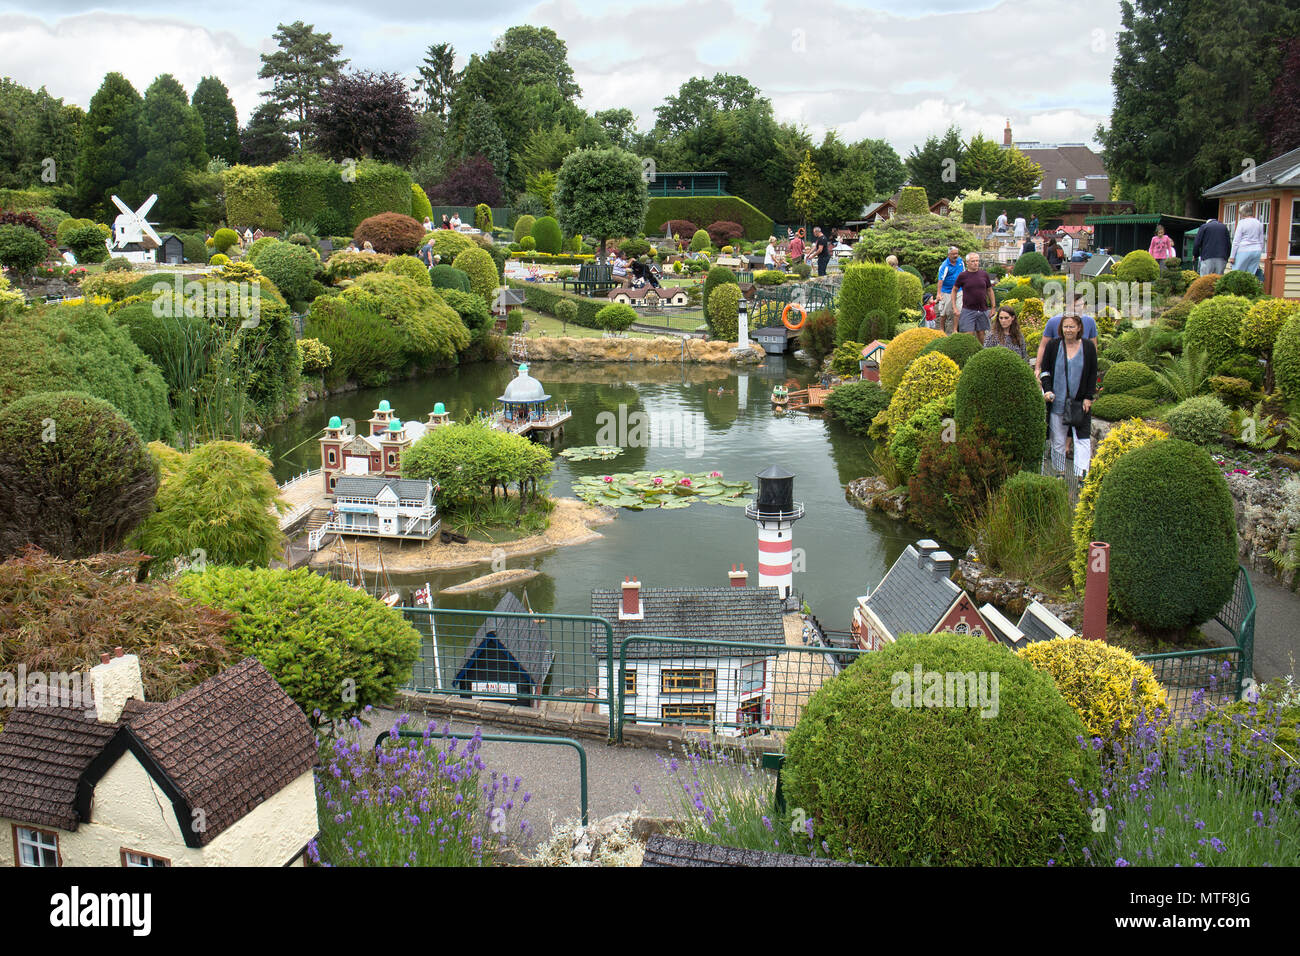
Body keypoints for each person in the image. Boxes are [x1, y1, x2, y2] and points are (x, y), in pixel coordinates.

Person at [1040, 314, 1097, 479]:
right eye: (1065, 327)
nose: (1068, 330)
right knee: (1057, 439)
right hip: (1057, 401)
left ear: (1079, 328)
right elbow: (1045, 371)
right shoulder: (1053, 345)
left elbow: (1092, 373)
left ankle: (1081, 476)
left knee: (1082, 440)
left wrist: (1088, 397)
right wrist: (1048, 390)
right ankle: (1060, 473)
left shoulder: (1087, 347)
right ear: (1061, 328)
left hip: (1080, 403)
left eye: (1072, 326)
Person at [953, 251, 995, 344]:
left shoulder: (984, 274)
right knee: (968, 337)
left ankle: (983, 354)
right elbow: (954, 290)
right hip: (968, 310)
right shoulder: (962, 276)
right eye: (973, 261)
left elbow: (990, 290)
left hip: (983, 310)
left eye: (977, 261)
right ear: (967, 262)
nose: (975, 263)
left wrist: (993, 307)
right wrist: (955, 307)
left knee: (982, 335)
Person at [1228, 202, 1266, 279]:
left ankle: (1237, 290)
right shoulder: (1258, 223)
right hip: (1256, 250)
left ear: (1243, 214)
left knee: (1237, 274)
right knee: (1250, 274)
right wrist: (1260, 250)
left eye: (1240, 214)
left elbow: (1236, 240)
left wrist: (1232, 256)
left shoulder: (1242, 223)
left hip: (1244, 249)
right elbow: (1261, 240)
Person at [936, 246, 965, 335]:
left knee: (958, 310)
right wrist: (939, 293)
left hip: (959, 290)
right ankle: (941, 329)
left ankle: (955, 330)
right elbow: (940, 280)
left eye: (957, 253)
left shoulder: (960, 262)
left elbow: (964, 273)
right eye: (953, 254)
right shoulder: (945, 265)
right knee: (944, 311)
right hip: (947, 291)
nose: (955, 255)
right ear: (949, 255)